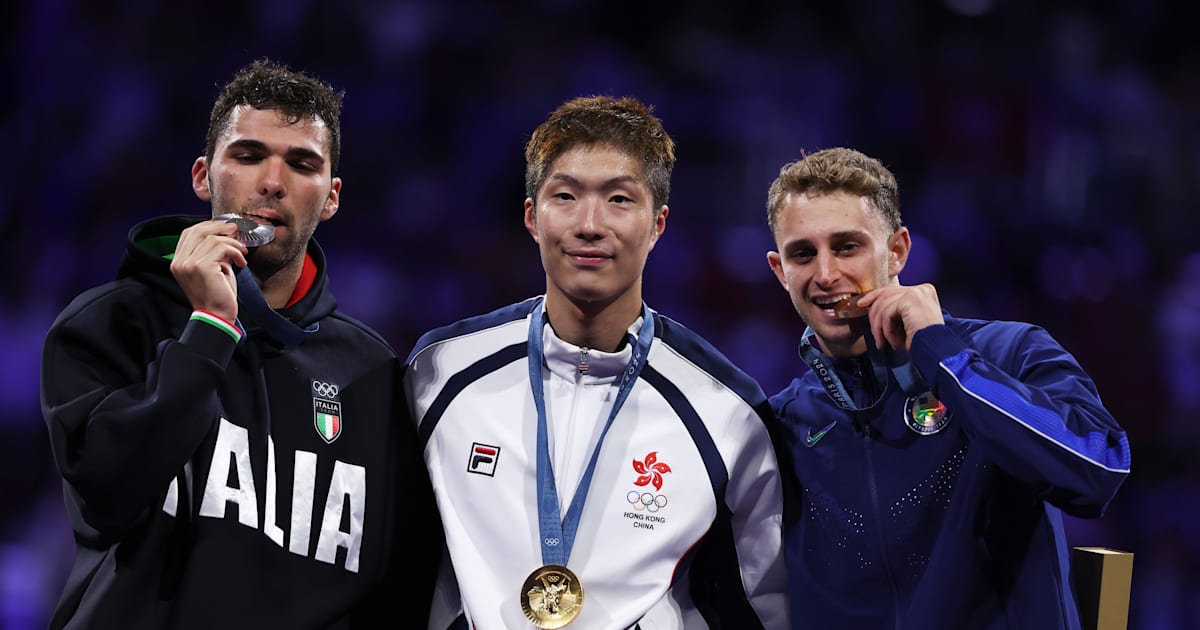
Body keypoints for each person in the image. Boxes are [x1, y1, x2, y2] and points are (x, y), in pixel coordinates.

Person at [40, 58, 439, 629]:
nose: (272, 182)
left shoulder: (372, 372)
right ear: (204, 175)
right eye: (249, 156)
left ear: (331, 197)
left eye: (302, 164)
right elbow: (108, 499)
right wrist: (210, 328)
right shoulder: (113, 322)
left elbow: (394, 589)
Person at [403, 95, 788, 629]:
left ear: (657, 224)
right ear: (532, 218)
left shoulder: (728, 412)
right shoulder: (439, 374)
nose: (589, 224)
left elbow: (765, 609)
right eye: (565, 195)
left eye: (619, 200)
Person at [763, 147, 1132, 629]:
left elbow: (1097, 468)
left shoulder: (1009, 352)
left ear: (896, 251)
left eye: (847, 246)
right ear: (779, 269)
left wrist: (943, 357)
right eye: (804, 253)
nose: (827, 274)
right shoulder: (783, 424)